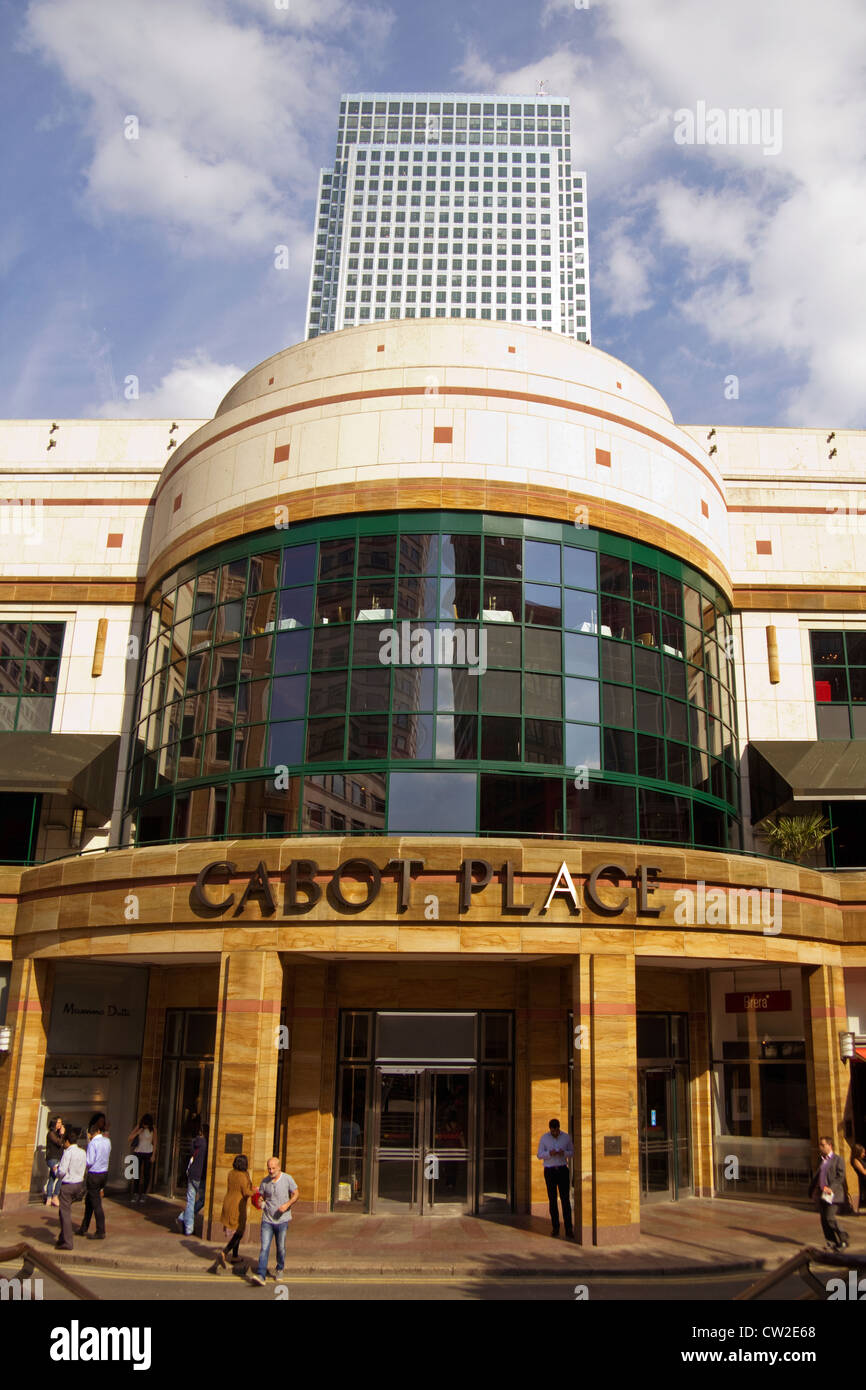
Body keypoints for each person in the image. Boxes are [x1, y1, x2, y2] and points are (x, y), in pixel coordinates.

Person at [247, 1156, 298, 1286]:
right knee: (264, 1248)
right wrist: (260, 1202)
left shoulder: (287, 1179)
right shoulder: (265, 1182)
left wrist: (287, 1205)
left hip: (282, 1220)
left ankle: (280, 1268)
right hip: (267, 1221)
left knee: (281, 1248)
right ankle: (261, 1275)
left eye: (273, 1168)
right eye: (269, 1168)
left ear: (279, 1167)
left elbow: (296, 1194)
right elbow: (261, 1197)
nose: (270, 1171)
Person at [808, 1135, 850, 1250]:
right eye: (820, 1145)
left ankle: (844, 1238)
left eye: (823, 1145)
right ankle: (831, 1242)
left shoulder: (838, 1159)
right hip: (823, 1194)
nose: (820, 1147)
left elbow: (840, 1177)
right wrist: (813, 1191)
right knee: (824, 1220)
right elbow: (818, 1177)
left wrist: (831, 1187)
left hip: (833, 1194)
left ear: (830, 1145)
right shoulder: (822, 1160)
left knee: (830, 1218)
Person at [537, 1117, 574, 1239]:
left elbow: (572, 1152)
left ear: (559, 1128)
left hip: (562, 1169)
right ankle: (555, 1227)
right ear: (550, 1129)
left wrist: (564, 1153)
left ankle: (568, 1228)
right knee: (552, 1200)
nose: (555, 1133)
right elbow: (539, 1155)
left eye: (556, 1131)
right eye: (553, 1131)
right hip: (550, 1170)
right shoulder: (544, 1138)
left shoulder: (566, 1137)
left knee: (565, 1200)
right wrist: (549, 1154)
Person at [216, 1154, 253, 1269]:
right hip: (237, 1205)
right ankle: (225, 1252)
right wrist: (256, 1192)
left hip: (228, 1202)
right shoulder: (242, 1176)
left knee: (238, 1228)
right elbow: (246, 1192)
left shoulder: (231, 1173)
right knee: (240, 1231)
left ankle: (235, 1256)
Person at [78, 1115, 111, 1240]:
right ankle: (84, 1227)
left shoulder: (92, 1144)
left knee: (96, 1203)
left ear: (90, 1133)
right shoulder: (107, 1141)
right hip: (104, 1173)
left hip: (94, 1174)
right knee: (89, 1201)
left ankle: (100, 1230)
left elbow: (90, 1161)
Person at [55, 1126, 87, 1250]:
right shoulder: (83, 1152)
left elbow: (62, 1171)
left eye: (64, 1141)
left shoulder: (68, 1153)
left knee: (65, 1214)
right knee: (63, 1212)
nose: (63, 1144)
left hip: (68, 1186)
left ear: (67, 1141)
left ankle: (67, 1242)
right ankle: (62, 1238)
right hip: (79, 1185)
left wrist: (56, 1171)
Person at [177, 1121, 208, 1235]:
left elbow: (191, 1153)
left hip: (192, 1173)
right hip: (201, 1176)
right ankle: (183, 1217)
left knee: (190, 1200)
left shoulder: (194, 1142)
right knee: (203, 1199)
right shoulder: (207, 1144)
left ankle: (189, 1227)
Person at [128, 1114, 156, 1203]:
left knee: (146, 1174)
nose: (145, 1126)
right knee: (136, 1173)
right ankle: (136, 1193)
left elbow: (155, 1142)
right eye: (144, 1124)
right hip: (138, 1151)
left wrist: (153, 1155)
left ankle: (144, 1193)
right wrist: (137, 1132)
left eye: (146, 1124)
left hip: (148, 1152)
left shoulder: (153, 1129)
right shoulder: (138, 1127)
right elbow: (129, 1138)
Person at [44, 1116, 65, 1207]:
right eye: (58, 1122)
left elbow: (64, 1144)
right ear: (54, 1123)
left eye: (61, 1122)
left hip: (59, 1158)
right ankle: (55, 1196)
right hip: (52, 1158)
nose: (60, 1124)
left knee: (52, 1178)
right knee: (60, 1176)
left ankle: (49, 1198)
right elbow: (59, 1143)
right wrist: (62, 1134)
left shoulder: (58, 1133)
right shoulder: (51, 1133)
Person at [850, 1143, 866, 1215]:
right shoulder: (855, 1160)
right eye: (863, 1152)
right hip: (863, 1180)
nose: (864, 1154)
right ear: (858, 1152)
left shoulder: (860, 1160)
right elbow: (863, 1171)